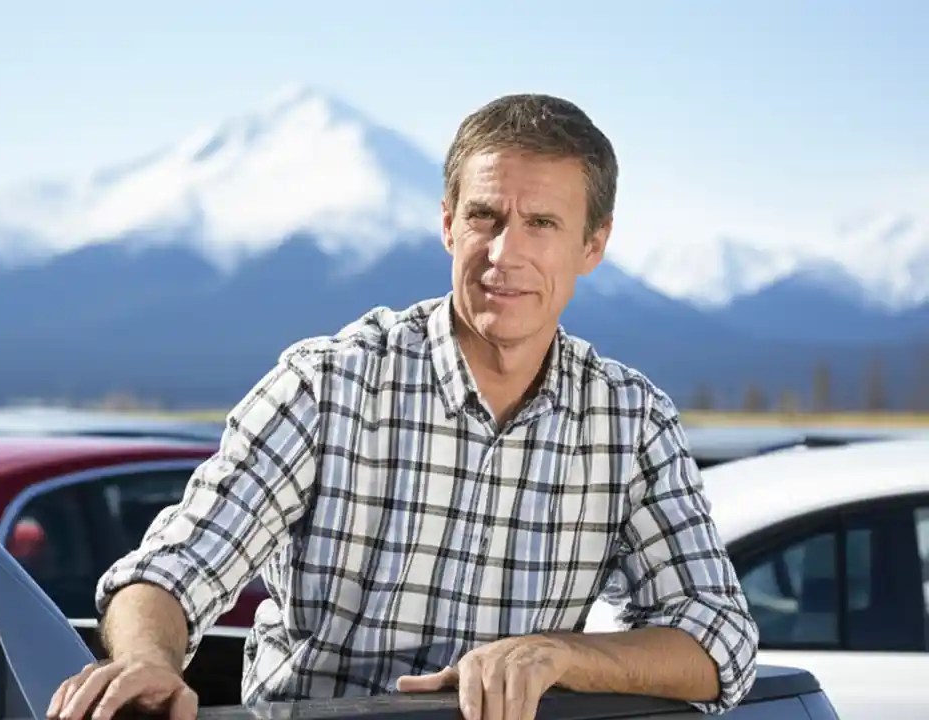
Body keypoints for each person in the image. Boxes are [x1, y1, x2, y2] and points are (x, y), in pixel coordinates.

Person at [47, 93, 759, 720]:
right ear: (449, 223)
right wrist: (149, 660)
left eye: (541, 223)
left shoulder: (630, 423)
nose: (504, 254)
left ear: (592, 245)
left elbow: (719, 638)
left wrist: (558, 656)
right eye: (485, 216)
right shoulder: (330, 386)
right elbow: (172, 569)